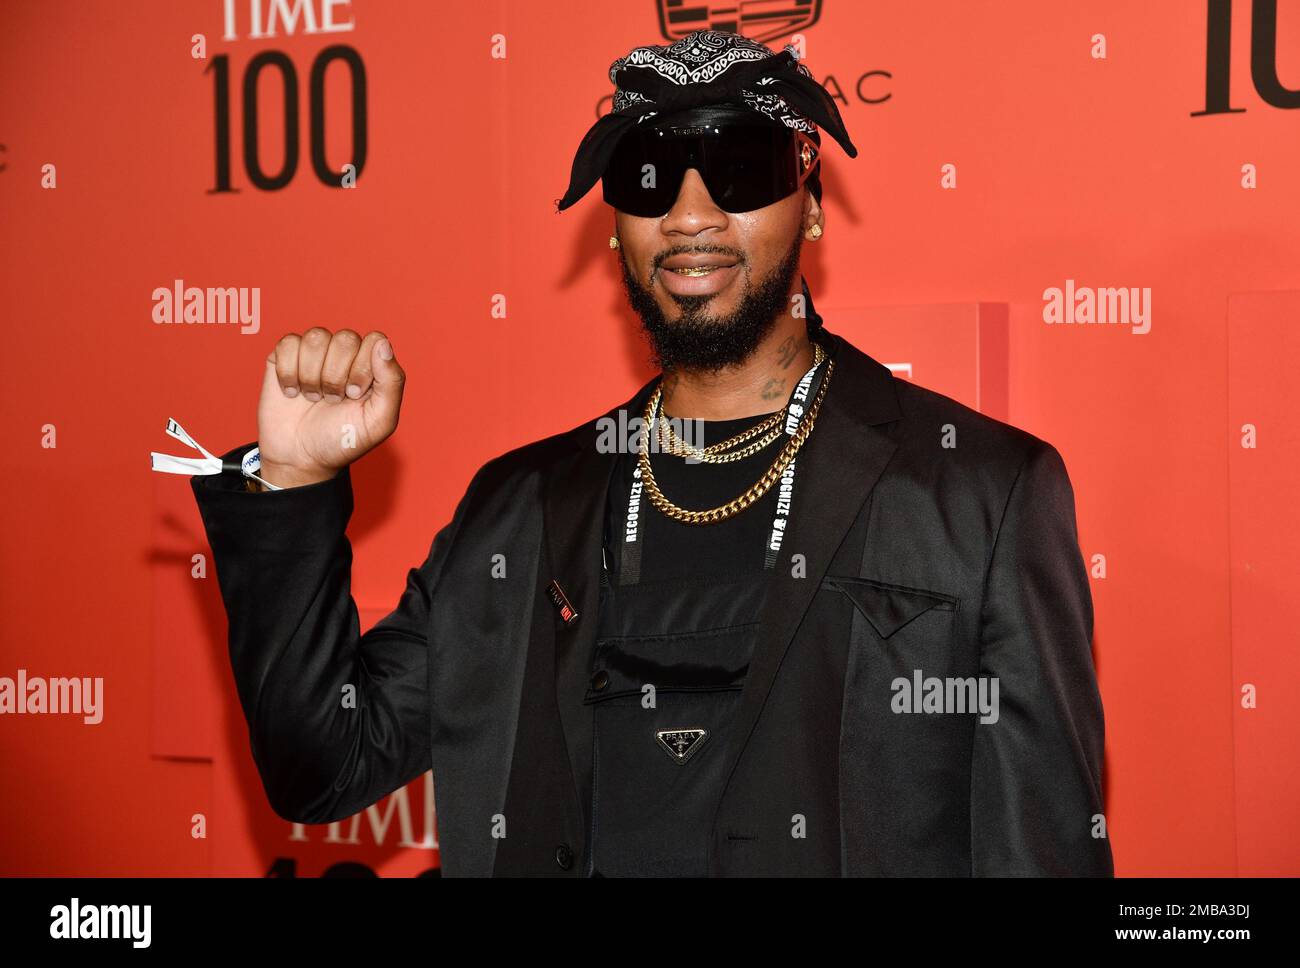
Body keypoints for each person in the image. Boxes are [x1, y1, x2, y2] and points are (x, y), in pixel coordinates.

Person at [191, 29, 1113, 877]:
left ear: (814, 209)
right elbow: (324, 768)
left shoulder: (979, 493)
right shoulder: (521, 505)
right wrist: (294, 484)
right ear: (614, 228)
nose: (690, 215)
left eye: (741, 170)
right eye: (647, 178)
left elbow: (1043, 849)